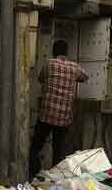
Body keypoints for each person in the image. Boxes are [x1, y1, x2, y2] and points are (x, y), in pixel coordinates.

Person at [30, 39, 88, 176]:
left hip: (46, 114)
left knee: (35, 147)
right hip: (63, 117)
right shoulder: (74, 67)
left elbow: (40, 79)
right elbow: (85, 77)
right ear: (66, 53)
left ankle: (33, 173)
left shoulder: (49, 64)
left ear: (53, 51)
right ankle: (55, 178)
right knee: (58, 149)